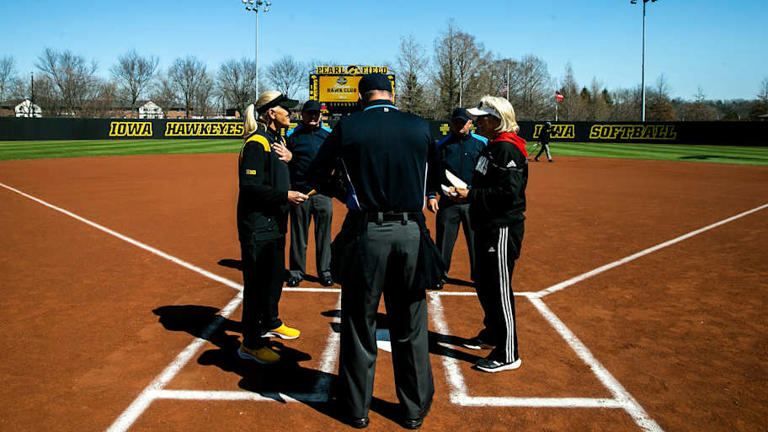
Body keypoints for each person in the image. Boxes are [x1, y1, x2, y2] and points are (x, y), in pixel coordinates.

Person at [308, 73, 440, 430]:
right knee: (411, 322)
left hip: (367, 231)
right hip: (411, 231)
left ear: (361, 95)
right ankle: (413, 410)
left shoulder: (350, 126)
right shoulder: (419, 125)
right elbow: (437, 174)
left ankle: (356, 408)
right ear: (391, 93)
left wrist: (346, 192)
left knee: (359, 321)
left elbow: (317, 172)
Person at [450, 95, 529, 373]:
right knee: (483, 281)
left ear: (497, 119)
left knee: (499, 288)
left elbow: (509, 194)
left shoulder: (507, 149)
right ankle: (494, 332)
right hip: (486, 223)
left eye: (482, 117)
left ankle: (508, 353)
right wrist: (468, 196)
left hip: (502, 227)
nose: (476, 121)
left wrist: (471, 194)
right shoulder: (492, 147)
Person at [236, 91, 307, 364]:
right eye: (284, 109)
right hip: (257, 226)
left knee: (276, 276)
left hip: (275, 222)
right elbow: (250, 188)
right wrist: (285, 197)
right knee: (255, 285)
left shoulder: (279, 140)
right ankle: (250, 343)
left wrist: (292, 160)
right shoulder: (256, 143)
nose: (290, 112)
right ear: (270, 114)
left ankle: (271, 321)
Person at [427, 108, 487, 289]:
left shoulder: (482, 144)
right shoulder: (441, 145)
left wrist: (473, 191)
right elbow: (432, 173)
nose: (460, 125)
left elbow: (486, 173)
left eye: (463, 122)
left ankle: (479, 277)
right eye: (457, 122)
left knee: (477, 241)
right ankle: (440, 275)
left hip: (473, 202)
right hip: (449, 202)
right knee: (444, 241)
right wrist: (431, 195)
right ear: (452, 123)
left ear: (470, 123)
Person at [285, 100, 334, 287]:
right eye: (310, 113)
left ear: (320, 115)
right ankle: (296, 272)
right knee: (299, 236)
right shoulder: (292, 136)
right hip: (299, 192)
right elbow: (286, 165)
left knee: (324, 235)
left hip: (322, 193)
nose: (313, 117)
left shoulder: (328, 135)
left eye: (316, 113)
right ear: (302, 115)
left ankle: (325, 271)